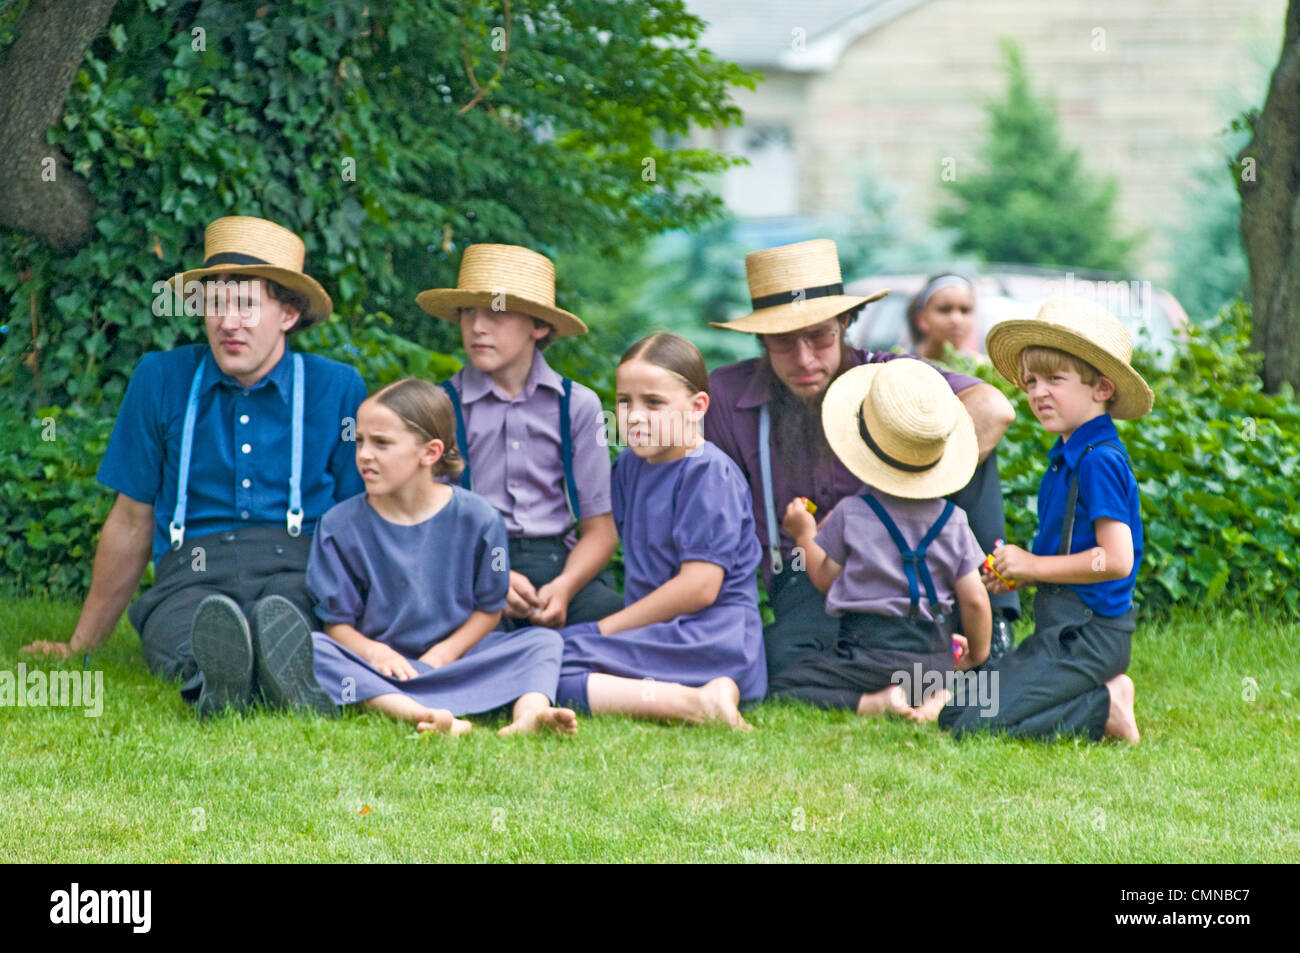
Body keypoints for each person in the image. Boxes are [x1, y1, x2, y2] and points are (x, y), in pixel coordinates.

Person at [22, 216, 365, 716]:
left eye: (246, 306)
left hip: (297, 568)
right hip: (192, 573)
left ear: (288, 313)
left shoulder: (337, 387)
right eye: (216, 304)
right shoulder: (160, 378)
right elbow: (131, 518)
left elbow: (359, 520)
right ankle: (219, 675)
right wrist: (81, 644)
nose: (228, 323)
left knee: (289, 616)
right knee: (188, 627)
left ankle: (277, 664)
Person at [704, 239, 1018, 699]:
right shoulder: (727, 396)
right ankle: (915, 686)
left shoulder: (888, 377)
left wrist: (878, 502)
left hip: (914, 570)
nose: (805, 359)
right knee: (769, 662)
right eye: (784, 343)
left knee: (957, 443)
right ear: (761, 340)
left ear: (846, 323)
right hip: (808, 579)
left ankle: (996, 631)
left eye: (819, 337)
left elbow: (995, 410)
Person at [301, 379, 576, 736]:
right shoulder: (338, 525)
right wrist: (375, 654)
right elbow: (336, 624)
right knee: (315, 648)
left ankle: (530, 715)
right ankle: (421, 714)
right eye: (360, 441)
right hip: (382, 668)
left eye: (381, 443)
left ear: (430, 453)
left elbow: (490, 609)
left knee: (543, 642)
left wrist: (443, 655)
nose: (364, 454)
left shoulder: (481, 518)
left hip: (460, 660)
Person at [939, 297, 1150, 742]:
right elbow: (1073, 555)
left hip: (1090, 637)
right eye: (1032, 381)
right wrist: (1020, 573)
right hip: (1059, 632)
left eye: (1055, 379)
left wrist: (1034, 565)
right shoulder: (1066, 457)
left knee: (974, 729)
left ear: (1102, 389)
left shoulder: (1099, 461)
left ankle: (1107, 706)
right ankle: (1095, 698)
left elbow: (1116, 560)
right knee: (956, 710)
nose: (1038, 392)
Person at [555, 333, 766, 729]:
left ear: (696, 406)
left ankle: (696, 702)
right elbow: (597, 531)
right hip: (656, 637)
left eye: (653, 403)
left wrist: (605, 630)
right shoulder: (631, 468)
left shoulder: (707, 471)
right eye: (624, 402)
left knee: (551, 665)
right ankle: (702, 695)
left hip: (710, 640)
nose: (634, 416)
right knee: (541, 655)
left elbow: (700, 587)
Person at [415, 244, 622, 631]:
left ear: (539, 327)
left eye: (495, 313)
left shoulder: (578, 406)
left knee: (616, 622)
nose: (477, 327)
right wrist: (493, 576)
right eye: (467, 313)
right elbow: (428, 523)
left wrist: (563, 587)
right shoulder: (440, 406)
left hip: (560, 565)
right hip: (468, 561)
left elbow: (600, 529)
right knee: (466, 631)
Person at [777, 358, 991, 721]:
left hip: (866, 655)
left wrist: (804, 534)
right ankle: (938, 697)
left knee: (784, 685)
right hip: (931, 656)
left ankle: (876, 703)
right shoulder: (954, 521)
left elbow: (825, 580)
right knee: (984, 689)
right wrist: (977, 656)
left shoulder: (851, 512)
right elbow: (974, 601)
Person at [906, 272, 985, 363]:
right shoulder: (899, 366)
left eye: (965, 310)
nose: (957, 319)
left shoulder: (979, 367)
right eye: (944, 309)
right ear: (921, 319)